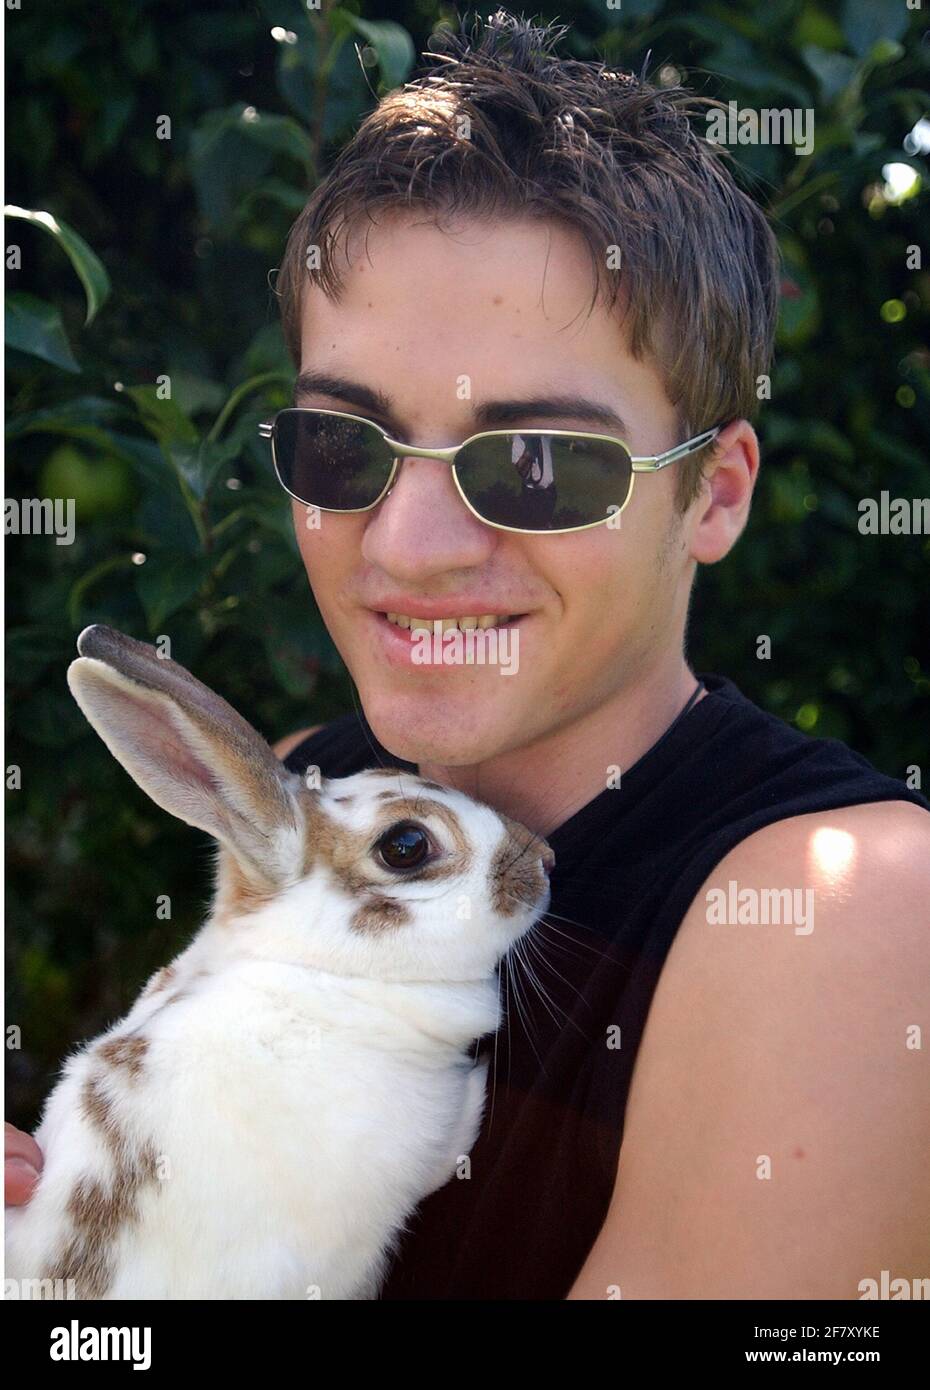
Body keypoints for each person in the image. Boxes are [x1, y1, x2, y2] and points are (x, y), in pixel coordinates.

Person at [7, 9, 929, 1300]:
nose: (411, 543)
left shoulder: (857, 914)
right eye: (344, 446)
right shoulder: (316, 787)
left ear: (714, 495)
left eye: (537, 462)